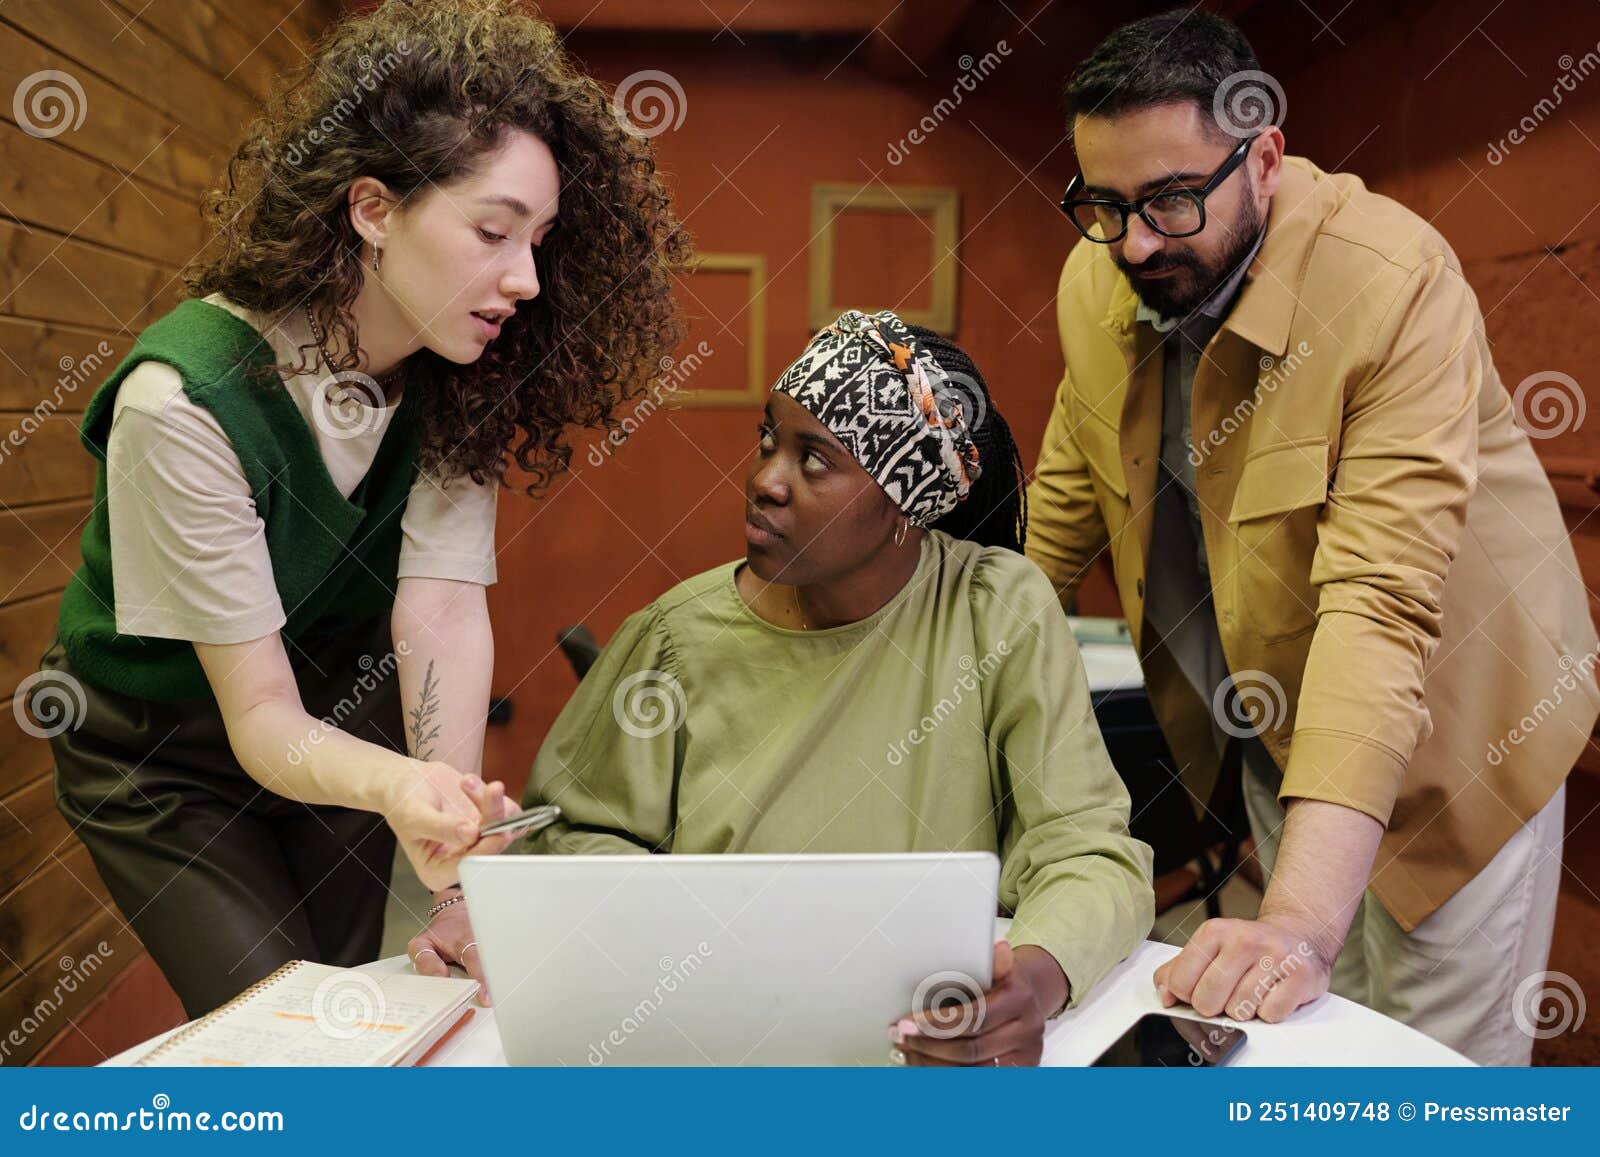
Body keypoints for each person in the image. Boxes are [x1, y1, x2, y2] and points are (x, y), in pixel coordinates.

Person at [30, 0, 689, 1018]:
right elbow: (257, 718)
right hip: (164, 755)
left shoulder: (457, 372)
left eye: (541, 241)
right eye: (491, 231)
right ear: (372, 209)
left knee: (344, 1004)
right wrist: (394, 787)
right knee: (277, 1022)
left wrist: (454, 849)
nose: (523, 278)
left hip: (337, 706)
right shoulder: (183, 402)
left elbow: (437, 614)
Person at [1030, 8, 1598, 1065]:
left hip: (1464, 736)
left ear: (1265, 157)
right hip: (1287, 720)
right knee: (1291, 1045)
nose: (1136, 241)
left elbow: (1378, 603)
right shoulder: (1101, 275)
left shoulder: (1389, 283)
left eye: (1170, 199)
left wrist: (1296, 920)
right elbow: (1058, 511)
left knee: (1426, 1075)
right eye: (1102, 205)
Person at [411, 309, 1155, 1065]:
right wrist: (703, 935)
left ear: (905, 505)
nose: (765, 479)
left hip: (927, 1057)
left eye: (816, 459)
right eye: (769, 438)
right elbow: (571, 841)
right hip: (712, 1047)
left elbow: (1089, 851)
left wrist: (1032, 979)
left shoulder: (997, 613)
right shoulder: (674, 638)